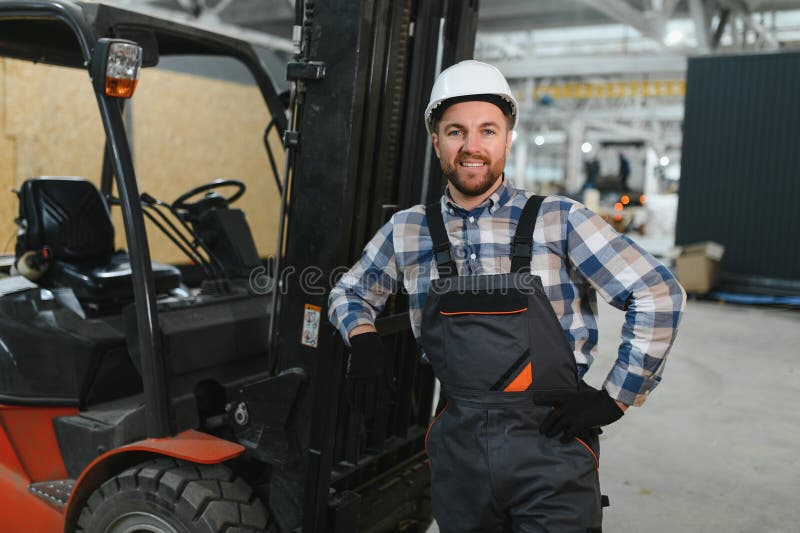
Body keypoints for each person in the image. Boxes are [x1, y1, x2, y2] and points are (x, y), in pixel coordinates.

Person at [328, 60, 686, 532]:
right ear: (436, 141)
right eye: (456, 131)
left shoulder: (559, 220)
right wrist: (363, 337)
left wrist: (616, 397)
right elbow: (348, 292)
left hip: (550, 442)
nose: (472, 147)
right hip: (459, 448)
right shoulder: (408, 230)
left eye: (487, 131)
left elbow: (658, 293)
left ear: (507, 139)